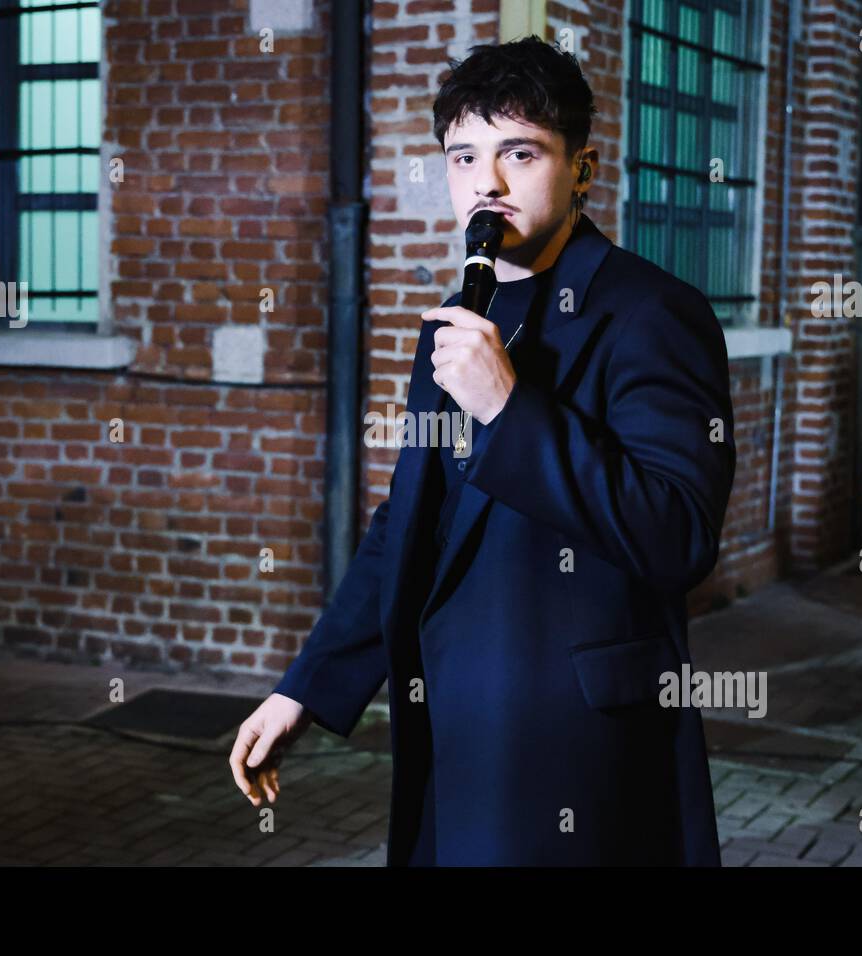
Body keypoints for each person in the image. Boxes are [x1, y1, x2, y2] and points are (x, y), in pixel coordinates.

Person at [229, 35, 736, 866]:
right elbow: (410, 524)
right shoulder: (455, 320)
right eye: (464, 156)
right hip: (451, 727)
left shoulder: (651, 313)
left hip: (574, 747)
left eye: (520, 152)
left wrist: (509, 408)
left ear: (583, 169)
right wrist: (306, 689)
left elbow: (677, 533)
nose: (486, 183)